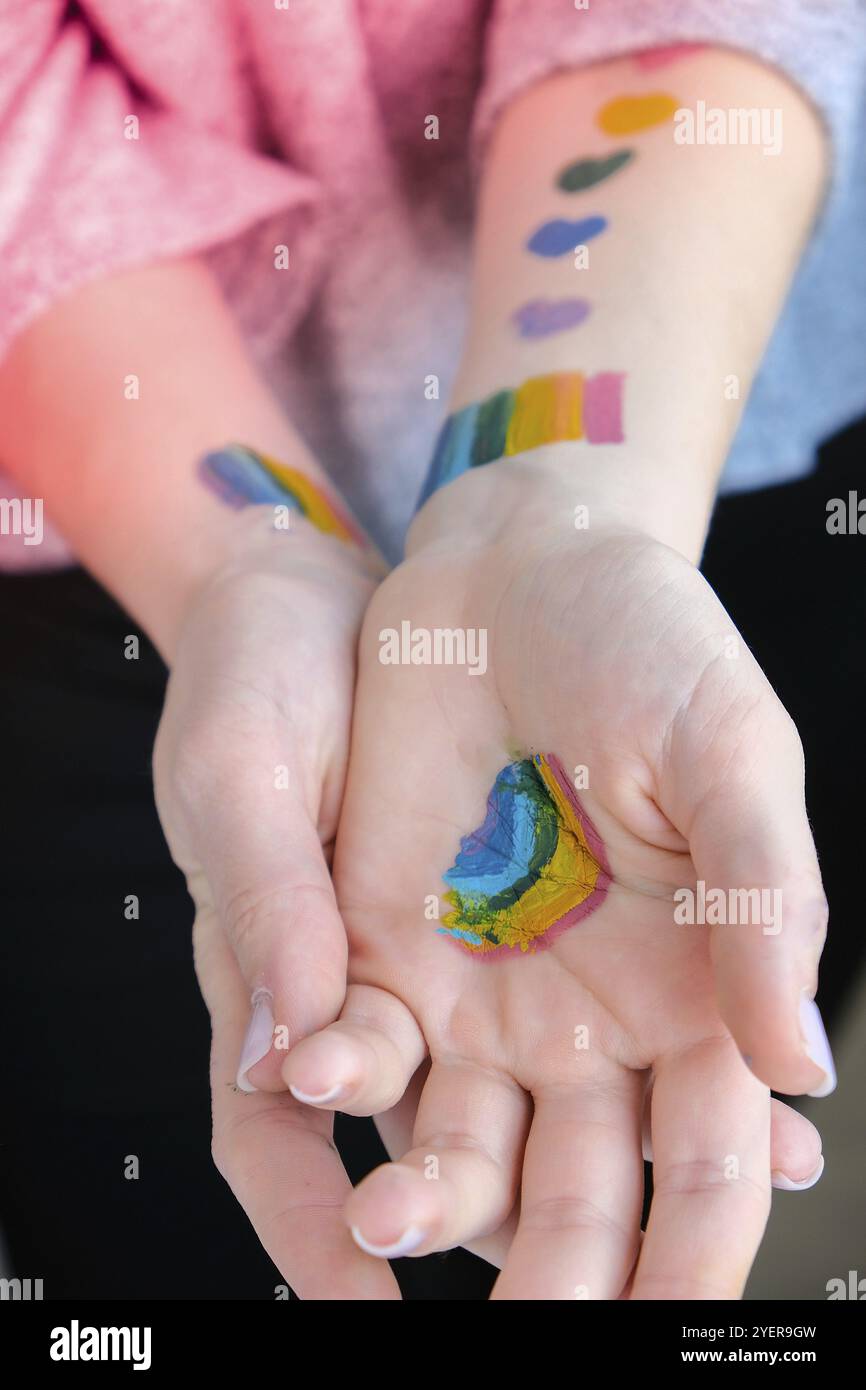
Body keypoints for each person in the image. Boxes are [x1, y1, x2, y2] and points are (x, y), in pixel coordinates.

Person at [0, 1, 863, 1299]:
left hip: (717, 388)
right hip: (108, 530)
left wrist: (565, 504)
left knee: (663, 1067)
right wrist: (249, 564)